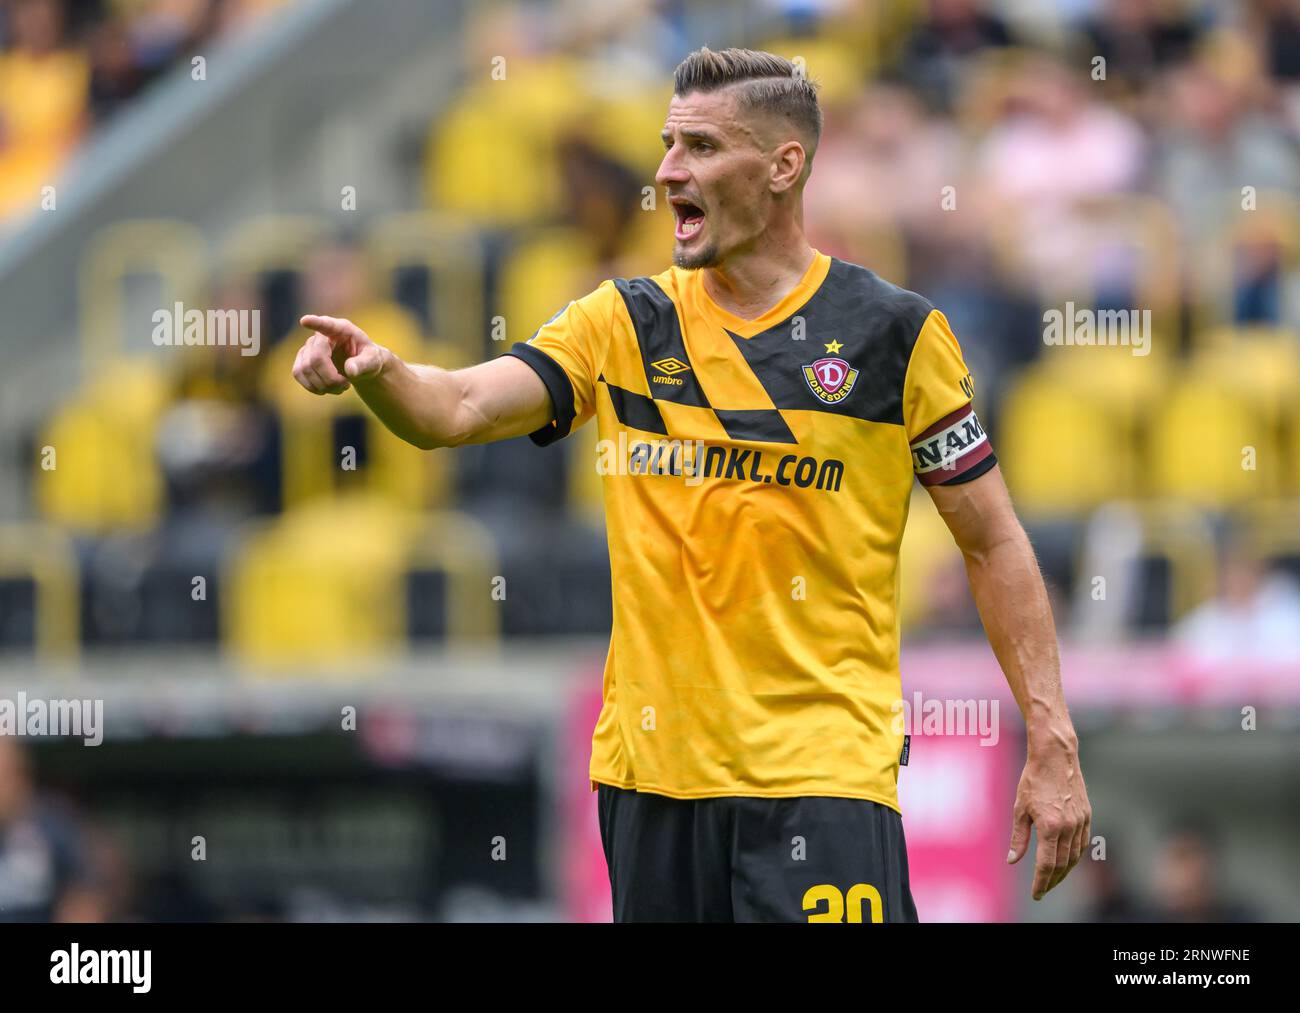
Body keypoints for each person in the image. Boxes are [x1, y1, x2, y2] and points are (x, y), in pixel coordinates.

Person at [290, 46, 1091, 922]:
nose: (669, 170)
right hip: (651, 780)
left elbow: (993, 538)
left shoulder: (893, 334)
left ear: (785, 165)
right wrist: (378, 370)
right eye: (670, 144)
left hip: (820, 777)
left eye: (703, 147)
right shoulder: (625, 322)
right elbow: (459, 408)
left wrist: (1049, 734)